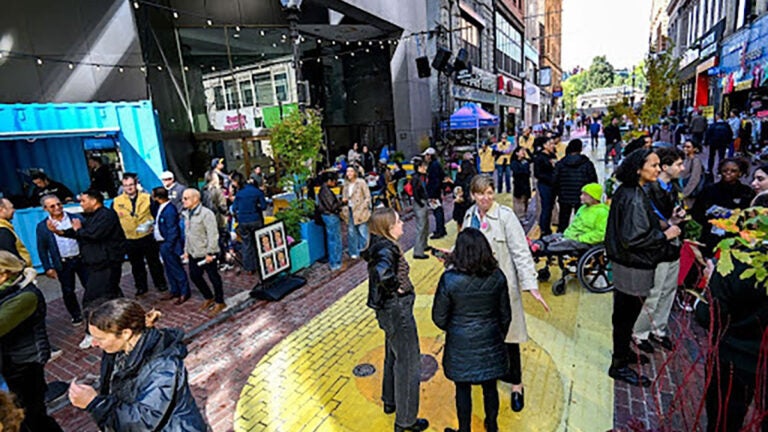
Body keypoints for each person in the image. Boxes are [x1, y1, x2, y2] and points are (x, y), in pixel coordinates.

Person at [461, 174, 550, 412]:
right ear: (473, 195)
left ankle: (516, 385)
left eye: (489, 193)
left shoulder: (506, 217)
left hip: (502, 290)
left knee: (510, 338)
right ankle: (492, 373)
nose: (485, 198)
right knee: (488, 337)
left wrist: (531, 285)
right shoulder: (469, 216)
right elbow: (465, 249)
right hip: (478, 291)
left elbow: (521, 252)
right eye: (481, 193)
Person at [68, 298, 206, 431]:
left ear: (126, 333)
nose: (94, 343)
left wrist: (95, 404)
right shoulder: (115, 350)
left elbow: (144, 421)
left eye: (100, 338)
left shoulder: (163, 366)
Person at [605, 149, 681, 387]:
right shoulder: (634, 196)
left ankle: (623, 354)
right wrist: (666, 234)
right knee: (626, 316)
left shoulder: (631, 191)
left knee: (625, 315)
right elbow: (634, 238)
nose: (658, 169)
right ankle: (618, 365)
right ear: (638, 168)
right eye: (654, 165)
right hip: (632, 266)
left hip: (628, 264)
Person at [432, 228, 511, 432]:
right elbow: (505, 315)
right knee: (490, 387)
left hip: (461, 344)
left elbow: (438, 318)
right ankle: (492, 425)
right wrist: (496, 333)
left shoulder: (449, 280)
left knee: (462, 389)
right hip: (491, 340)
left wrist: (457, 329)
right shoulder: (498, 277)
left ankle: (464, 429)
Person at [361, 208, 429, 432]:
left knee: (393, 354)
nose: (402, 225)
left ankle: (390, 401)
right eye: (398, 222)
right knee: (409, 363)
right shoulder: (387, 249)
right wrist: (396, 287)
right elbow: (382, 273)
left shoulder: (378, 245)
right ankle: (406, 421)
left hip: (388, 311)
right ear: (388, 228)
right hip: (397, 310)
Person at [0, 251, 64, 432]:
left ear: (4, 274)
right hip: (10, 361)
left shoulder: (26, 295)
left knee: (32, 414)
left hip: (25, 363)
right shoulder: (8, 291)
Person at [632, 148, 687, 354]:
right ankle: (640, 332)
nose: (682, 168)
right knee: (655, 291)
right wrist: (668, 226)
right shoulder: (646, 190)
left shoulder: (672, 187)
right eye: (678, 164)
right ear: (665, 167)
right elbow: (646, 220)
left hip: (673, 244)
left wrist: (676, 218)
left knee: (669, 289)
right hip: (658, 246)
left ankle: (659, 329)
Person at [704, 254, 768, 432]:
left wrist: (712, 286)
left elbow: (707, 316)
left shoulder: (738, 259)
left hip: (733, 358)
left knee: (722, 423)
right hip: (743, 357)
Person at [49, 189, 125, 309]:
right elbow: (81, 232)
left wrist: (77, 229)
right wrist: (61, 232)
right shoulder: (91, 216)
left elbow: (93, 234)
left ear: (94, 201)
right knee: (109, 295)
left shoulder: (106, 215)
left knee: (96, 299)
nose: (81, 204)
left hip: (106, 264)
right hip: (96, 264)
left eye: (84, 201)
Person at [113, 174, 168, 297]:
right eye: (126, 186)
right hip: (129, 238)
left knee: (154, 262)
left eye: (131, 185)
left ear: (136, 184)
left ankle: (160, 284)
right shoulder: (117, 202)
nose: (129, 188)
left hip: (147, 237)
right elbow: (115, 221)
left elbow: (157, 214)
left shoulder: (147, 198)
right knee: (136, 265)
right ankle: (141, 287)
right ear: (123, 186)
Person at [37, 195, 87, 324]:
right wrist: (48, 267)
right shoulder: (43, 226)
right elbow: (42, 248)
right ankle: (75, 315)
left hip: (81, 259)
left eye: (59, 204)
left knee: (89, 285)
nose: (57, 208)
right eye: (52, 206)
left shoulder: (75, 218)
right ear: (45, 208)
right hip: (63, 263)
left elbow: (86, 237)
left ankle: (90, 310)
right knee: (68, 290)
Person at [692, 158, 756, 257]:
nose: (728, 173)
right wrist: (709, 222)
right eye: (725, 170)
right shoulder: (709, 190)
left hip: (735, 239)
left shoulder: (747, 193)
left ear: (740, 173)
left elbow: (750, 217)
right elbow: (696, 211)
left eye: (733, 171)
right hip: (710, 237)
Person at [181, 188, 226, 316]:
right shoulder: (187, 214)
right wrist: (186, 251)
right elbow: (187, 234)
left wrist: (210, 253)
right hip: (194, 252)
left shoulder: (206, 214)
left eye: (186, 198)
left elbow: (213, 234)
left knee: (214, 277)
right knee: (195, 276)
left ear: (195, 199)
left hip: (207, 253)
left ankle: (220, 301)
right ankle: (208, 297)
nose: (183, 201)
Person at [533, 183, 609, 253]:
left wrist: (581, 238)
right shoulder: (583, 208)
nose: (581, 197)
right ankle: (538, 243)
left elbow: (600, 233)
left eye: (585, 195)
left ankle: (543, 247)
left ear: (593, 197)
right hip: (572, 235)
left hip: (584, 240)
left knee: (563, 244)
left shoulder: (602, 212)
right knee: (554, 236)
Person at [152, 187, 190, 305]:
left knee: (176, 268)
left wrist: (169, 244)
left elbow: (172, 229)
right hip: (162, 242)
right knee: (168, 268)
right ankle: (175, 290)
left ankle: (184, 291)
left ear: (158, 197)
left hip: (169, 244)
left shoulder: (169, 210)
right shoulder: (161, 208)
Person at [553, 139, 597, 232]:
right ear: (580, 149)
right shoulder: (587, 164)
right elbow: (593, 181)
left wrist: (558, 193)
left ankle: (561, 238)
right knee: (581, 220)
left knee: (563, 220)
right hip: (582, 196)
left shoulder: (560, 164)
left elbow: (555, 180)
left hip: (564, 196)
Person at [232, 172, 268, 275]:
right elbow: (264, 206)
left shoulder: (239, 193)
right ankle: (262, 264)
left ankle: (249, 268)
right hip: (256, 218)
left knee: (246, 244)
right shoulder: (257, 192)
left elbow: (234, 208)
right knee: (259, 242)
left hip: (243, 220)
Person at [341, 165, 371, 260]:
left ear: (355, 173)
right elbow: (344, 196)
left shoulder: (361, 182)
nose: (348, 173)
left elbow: (367, 196)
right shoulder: (345, 184)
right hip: (349, 209)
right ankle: (354, 252)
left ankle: (365, 250)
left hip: (360, 210)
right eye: (347, 171)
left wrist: (363, 206)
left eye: (351, 171)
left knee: (363, 231)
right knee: (351, 232)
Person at [318, 171, 344, 272]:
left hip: (327, 216)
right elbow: (332, 206)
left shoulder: (324, 190)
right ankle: (336, 263)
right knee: (334, 240)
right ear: (329, 181)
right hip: (330, 216)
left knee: (333, 239)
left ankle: (336, 262)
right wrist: (341, 202)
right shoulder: (325, 191)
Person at [533, 136, 558, 236]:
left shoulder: (552, 155)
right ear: (544, 146)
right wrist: (550, 178)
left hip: (553, 185)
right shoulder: (540, 157)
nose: (552, 146)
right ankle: (544, 229)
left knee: (551, 207)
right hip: (545, 185)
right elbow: (538, 174)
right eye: (550, 144)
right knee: (546, 207)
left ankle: (547, 227)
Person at [0, 199, 32, 266]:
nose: (14, 210)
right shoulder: (3, 231)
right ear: (1, 210)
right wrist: (24, 267)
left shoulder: (5, 227)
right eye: (11, 208)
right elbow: (10, 257)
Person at [424, 148, 448, 239]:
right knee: (438, 211)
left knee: (437, 211)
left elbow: (435, 180)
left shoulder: (433, 166)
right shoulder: (436, 164)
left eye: (426, 155)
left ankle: (440, 231)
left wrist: (433, 195)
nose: (425, 157)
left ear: (430, 156)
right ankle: (441, 229)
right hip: (436, 191)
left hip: (434, 192)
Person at [410, 159, 430, 260]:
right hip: (419, 203)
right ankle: (418, 251)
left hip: (423, 202)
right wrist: (421, 203)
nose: (425, 168)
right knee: (421, 227)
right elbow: (415, 193)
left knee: (425, 225)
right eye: (423, 166)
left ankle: (424, 245)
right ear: (419, 168)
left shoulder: (422, 177)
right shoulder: (416, 178)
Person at [452, 152, 477, 226]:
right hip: (469, 203)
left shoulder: (459, 176)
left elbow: (456, 187)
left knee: (460, 223)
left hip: (461, 203)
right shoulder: (473, 174)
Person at [680, 139, 705, 209]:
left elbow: (694, 179)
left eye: (688, 147)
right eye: (684, 146)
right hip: (683, 190)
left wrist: (685, 193)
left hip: (690, 194)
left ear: (695, 149)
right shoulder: (684, 159)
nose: (685, 149)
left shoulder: (696, 161)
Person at [510, 146, 532, 221]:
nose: (523, 152)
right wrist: (524, 169)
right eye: (521, 151)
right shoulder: (514, 162)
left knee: (525, 200)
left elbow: (532, 159)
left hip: (526, 184)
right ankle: (519, 217)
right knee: (519, 201)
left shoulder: (525, 161)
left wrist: (528, 151)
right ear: (516, 153)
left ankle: (524, 215)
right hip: (518, 185)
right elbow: (517, 172)